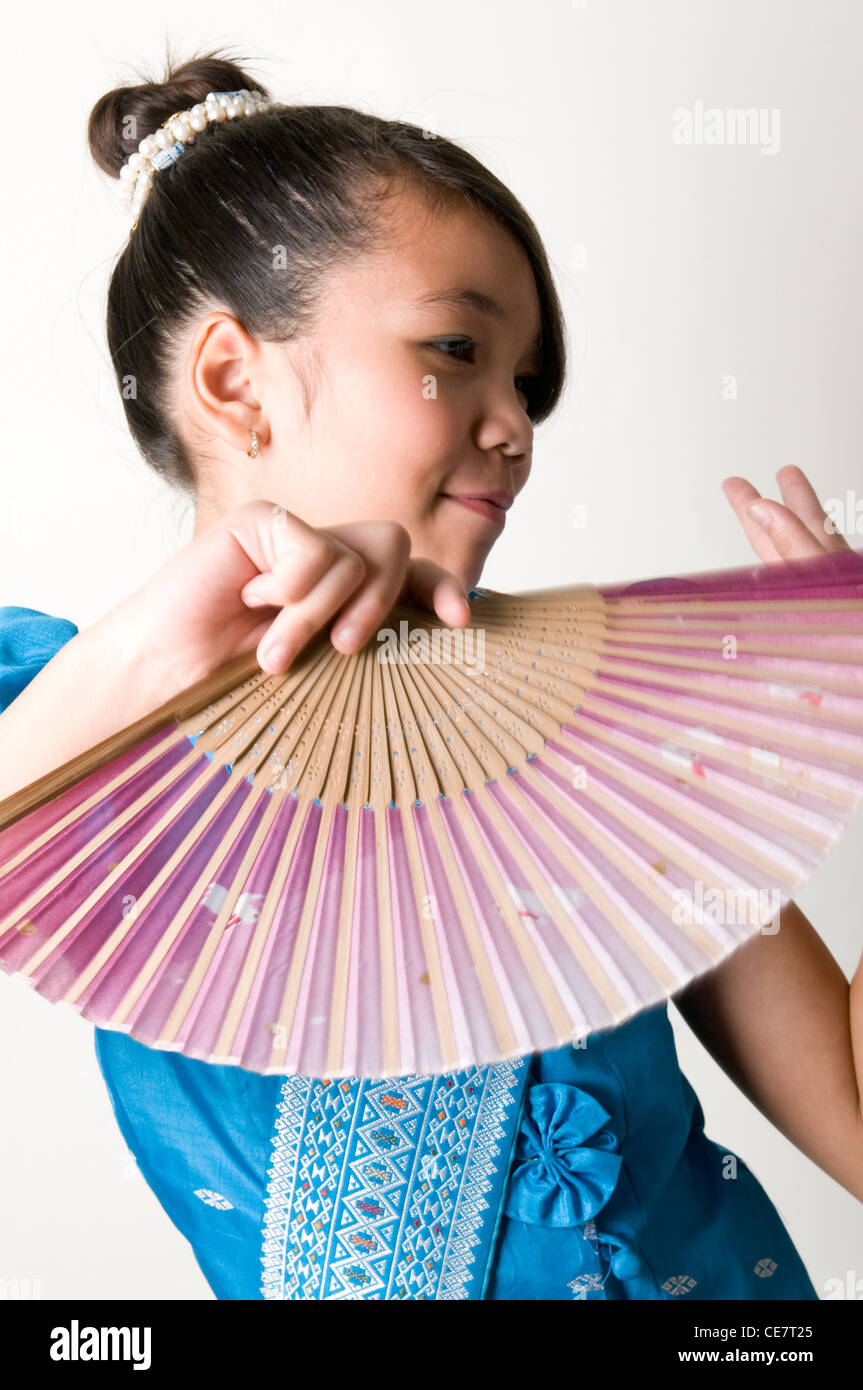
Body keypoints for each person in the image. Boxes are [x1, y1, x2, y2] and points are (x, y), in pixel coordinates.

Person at [1, 47, 860, 1301]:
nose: (512, 424)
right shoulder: (68, 719)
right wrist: (183, 618)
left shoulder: (614, 724)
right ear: (234, 382)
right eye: (456, 348)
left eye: (526, 383)